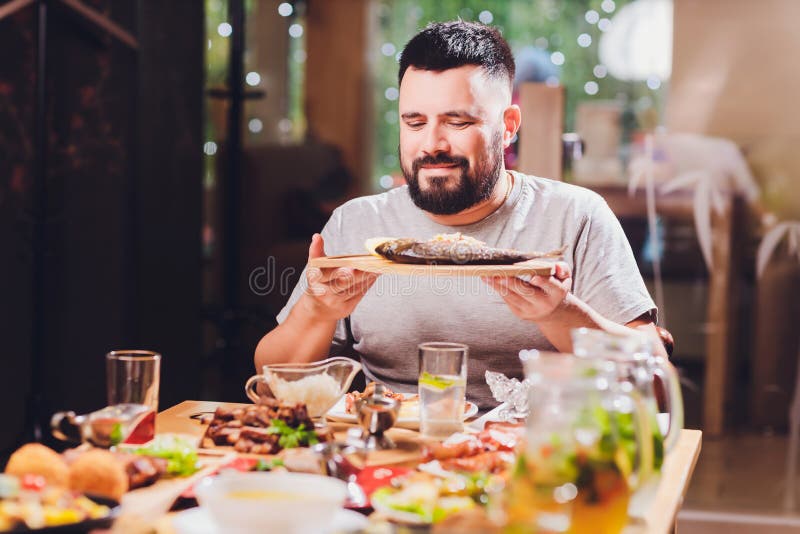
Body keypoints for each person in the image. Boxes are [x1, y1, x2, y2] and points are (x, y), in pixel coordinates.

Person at [255, 21, 659, 409]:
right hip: (391, 455)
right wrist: (316, 310)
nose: (432, 145)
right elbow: (273, 381)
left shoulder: (575, 217)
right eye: (414, 122)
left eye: (457, 121)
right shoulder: (356, 223)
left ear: (509, 125)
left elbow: (656, 385)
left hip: (534, 456)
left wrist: (561, 314)